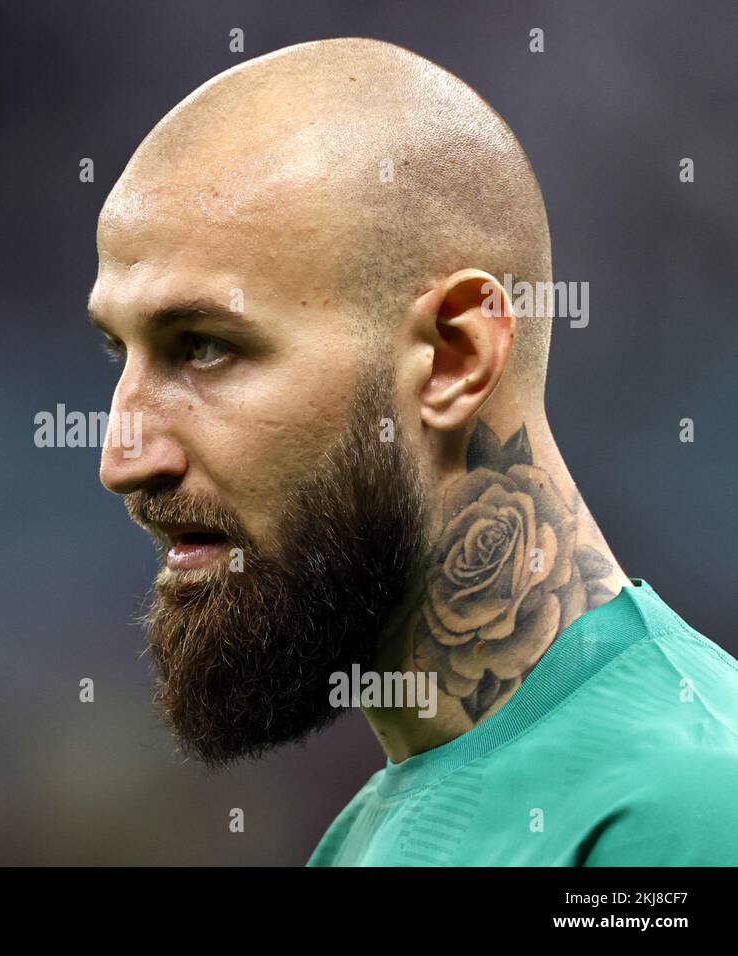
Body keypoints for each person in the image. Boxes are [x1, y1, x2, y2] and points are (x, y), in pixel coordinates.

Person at [87, 37, 738, 865]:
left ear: (453, 356)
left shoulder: (686, 815)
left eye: (205, 346)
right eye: (121, 352)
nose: (122, 457)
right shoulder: (365, 837)